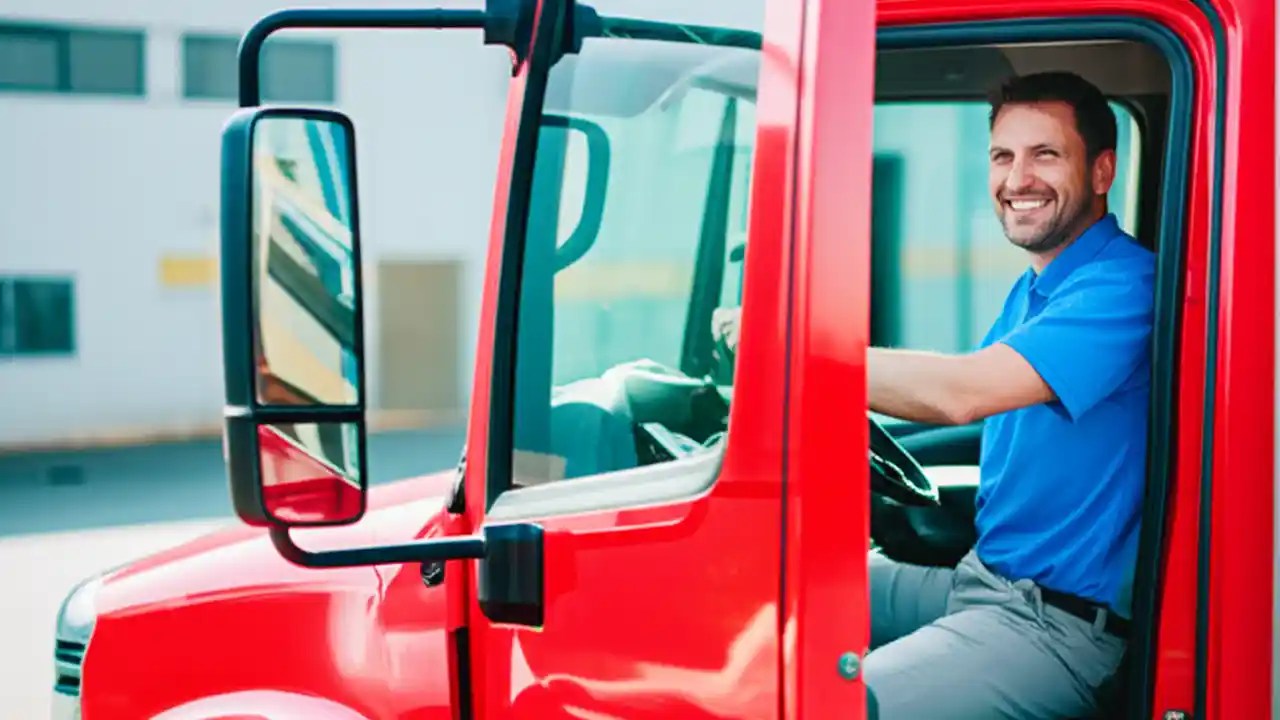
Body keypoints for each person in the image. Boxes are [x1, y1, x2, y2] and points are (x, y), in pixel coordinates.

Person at [713, 71, 1155, 719]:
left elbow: (961, 395)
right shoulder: (1042, 286)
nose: (1018, 179)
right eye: (1003, 156)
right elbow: (982, 410)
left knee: (827, 706)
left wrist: (790, 350)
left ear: (1101, 171)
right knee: (755, 583)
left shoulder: (1123, 285)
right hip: (985, 586)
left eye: (1046, 155)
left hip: (1051, 629)